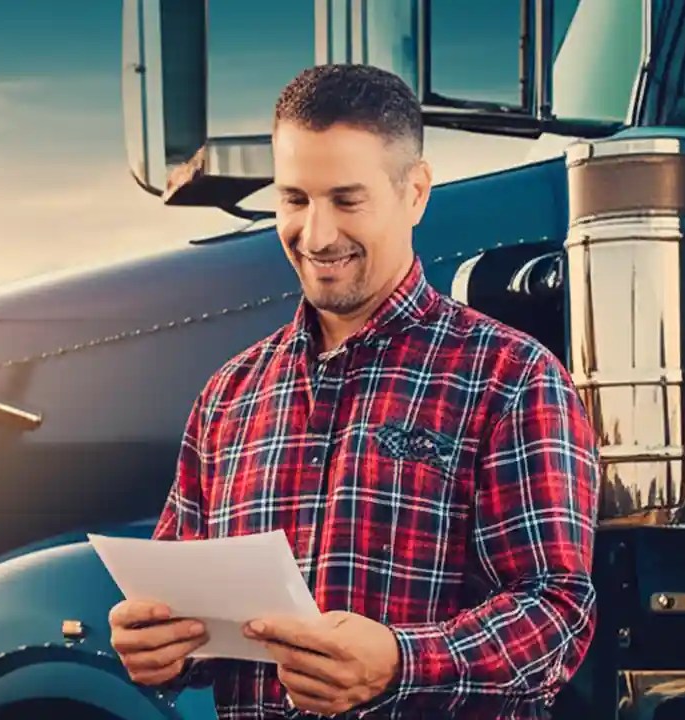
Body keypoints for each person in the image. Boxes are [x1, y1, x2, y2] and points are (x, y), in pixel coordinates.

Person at [107, 63, 600, 719]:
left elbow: (556, 615)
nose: (316, 235)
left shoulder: (511, 377)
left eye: (347, 200)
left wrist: (399, 661)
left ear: (416, 192)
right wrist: (158, 650)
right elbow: (182, 615)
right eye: (294, 199)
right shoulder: (229, 397)